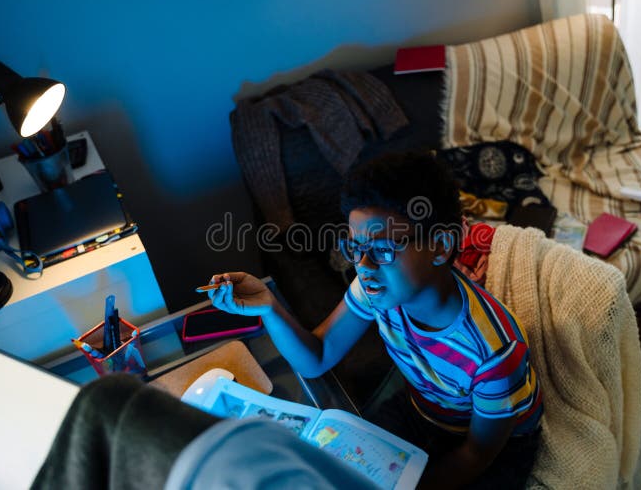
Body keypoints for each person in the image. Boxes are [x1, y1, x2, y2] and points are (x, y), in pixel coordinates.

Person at [208, 151, 542, 489]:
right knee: (334, 471)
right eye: (355, 248)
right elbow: (317, 357)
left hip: (494, 445)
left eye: (382, 250)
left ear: (440, 246)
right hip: (423, 409)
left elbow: (477, 454)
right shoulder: (377, 291)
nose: (364, 266)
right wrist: (269, 307)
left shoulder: (495, 354)